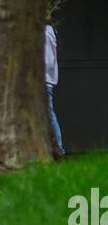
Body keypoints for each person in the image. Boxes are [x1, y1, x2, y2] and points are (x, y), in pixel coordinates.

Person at [45, 22, 64, 156]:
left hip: (43, 79)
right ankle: (58, 147)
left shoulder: (44, 32)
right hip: (48, 80)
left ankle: (58, 147)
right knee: (50, 114)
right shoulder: (50, 32)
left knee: (50, 114)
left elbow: (47, 60)